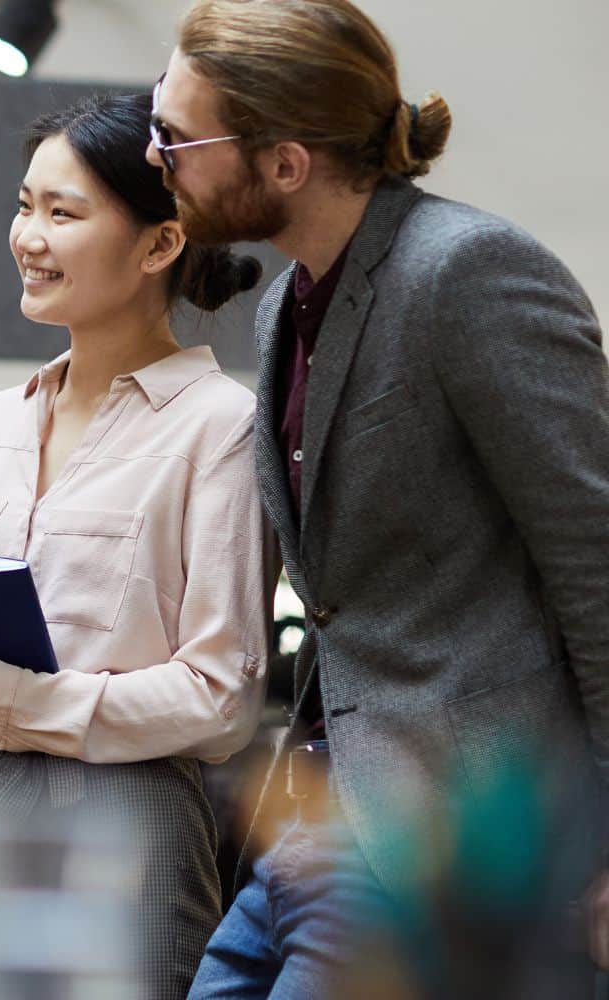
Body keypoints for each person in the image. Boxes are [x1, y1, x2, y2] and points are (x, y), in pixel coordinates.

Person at [145, 1, 609, 994]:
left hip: (454, 830)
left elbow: (597, 562)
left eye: (177, 137)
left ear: (285, 162)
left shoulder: (470, 273)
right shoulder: (282, 307)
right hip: (317, 809)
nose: (156, 157)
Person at [0, 91, 267, 998]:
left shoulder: (222, 425)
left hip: (136, 827)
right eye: (24, 205)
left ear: (160, 244)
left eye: (62, 213)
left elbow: (222, 701)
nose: (27, 236)